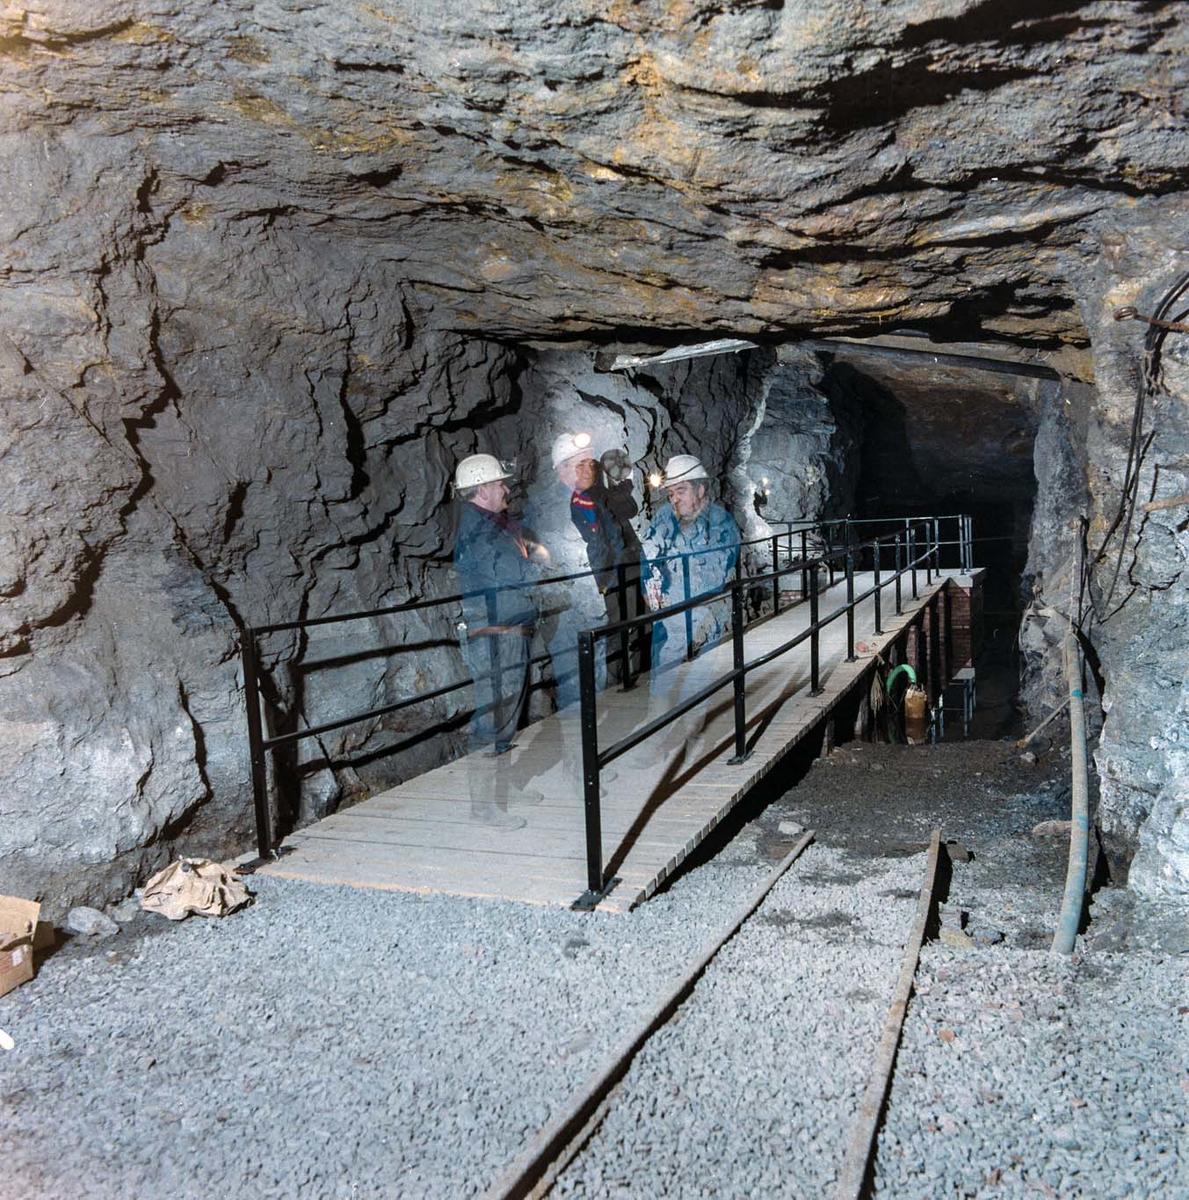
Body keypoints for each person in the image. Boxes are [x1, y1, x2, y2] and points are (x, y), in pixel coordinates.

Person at [452, 452, 547, 829]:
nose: (506, 488)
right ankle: (482, 807)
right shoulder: (478, 531)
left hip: (510, 626)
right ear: (481, 489)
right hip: (492, 632)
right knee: (493, 717)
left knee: (509, 712)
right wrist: (539, 566)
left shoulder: (497, 524)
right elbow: (512, 573)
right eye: (499, 484)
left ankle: (503, 791)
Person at [523, 431, 625, 711]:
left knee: (602, 677)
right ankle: (580, 746)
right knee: (577, 687)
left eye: (589, 463)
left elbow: (611, 542)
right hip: (569, 612)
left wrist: (606, 583)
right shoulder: (548, 511)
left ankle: (605, 734)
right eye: (577, 465)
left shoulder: (593, 500)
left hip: (597, 601)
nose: (587, 469)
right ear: (560, 471)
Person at [641, 454, 741, 677]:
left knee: (698, 689)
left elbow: (722, 570)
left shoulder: (721, 522)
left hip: (705, 623)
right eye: (671, 493)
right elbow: (646, 562)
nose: (675, 499)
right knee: (663, 688)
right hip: (669, 624)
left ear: (701, 490)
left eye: (681, 490)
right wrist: (652, 595)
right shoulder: (662, 518)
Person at [598, 448, 649, 681]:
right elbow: (627, 509)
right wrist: (623, 486)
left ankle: (641, 668)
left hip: (631, 563)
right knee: (620, 622)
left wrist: (622, 486)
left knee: (641, 616)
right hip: (615, 568)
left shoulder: (614, 494)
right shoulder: (601, 497)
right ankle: (618, 677)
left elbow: (630, 510)